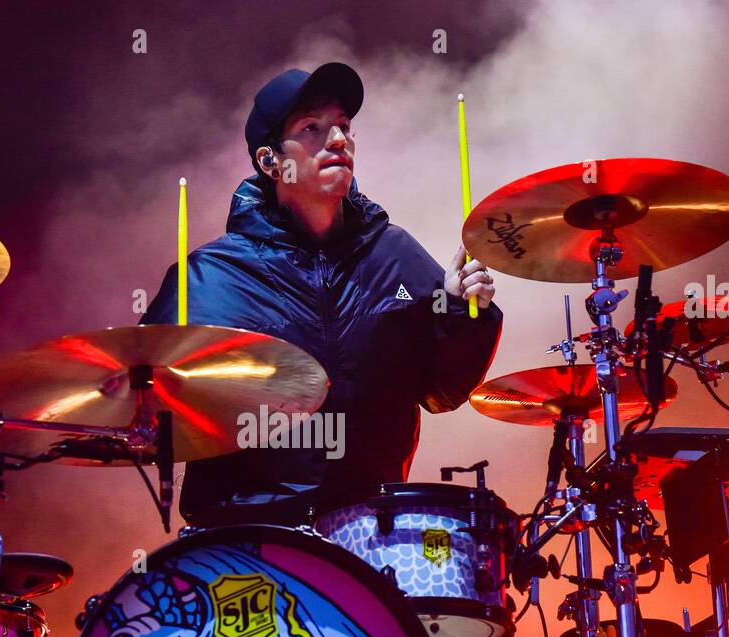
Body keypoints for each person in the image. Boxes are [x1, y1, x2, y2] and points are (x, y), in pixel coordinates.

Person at [142, 62, 502, 527]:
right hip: (242, 540)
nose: (339, 140)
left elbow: (443, 392)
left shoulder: (393, 253)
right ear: (270, 161)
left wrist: (462, 312)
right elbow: (146, 412)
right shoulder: (207, 278)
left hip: (368, 531)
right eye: (313, 128)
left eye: (345, 127)